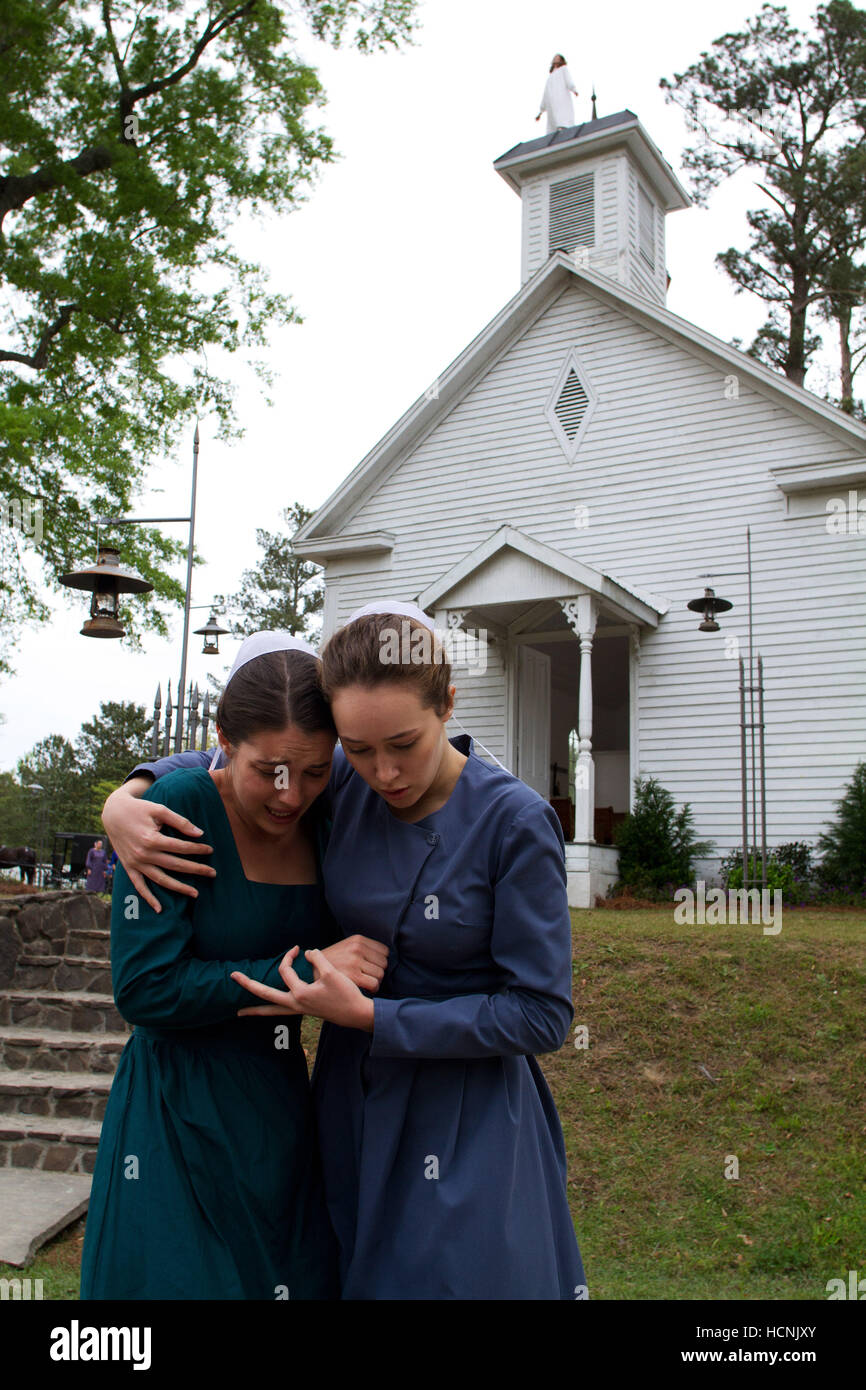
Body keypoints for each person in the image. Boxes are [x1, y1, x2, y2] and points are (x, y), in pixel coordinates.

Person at [103, 605, 588, 1301]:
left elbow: (542, 1015)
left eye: (403, 744)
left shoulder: (514, 822)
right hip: (347, 1105)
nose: (384, 772)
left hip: (466, 1113)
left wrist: (373, 1018)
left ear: (448, 704)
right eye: (356, 750)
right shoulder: (341, 788)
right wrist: (129, 794)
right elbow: (246, 754)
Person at [81, 634, 387, 1300]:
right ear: (222, 739)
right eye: (270, 770)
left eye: (313, 771)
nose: (289, 795)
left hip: (278, 1106)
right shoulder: (179, 808)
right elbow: (145, 989)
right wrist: (301, 976)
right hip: (174, 1110)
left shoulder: (327, 817)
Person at [536, 53, 579, 132]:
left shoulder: (563, 69)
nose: (555, 58)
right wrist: (541, 111)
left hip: (560, 96)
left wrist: (574, 89)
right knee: (553, 116)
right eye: (554, 57)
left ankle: (563, 126)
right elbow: (545, 94)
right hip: (552, 101)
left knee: (561, 113)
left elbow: (568, 80)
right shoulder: (550, 77)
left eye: (557, 57)